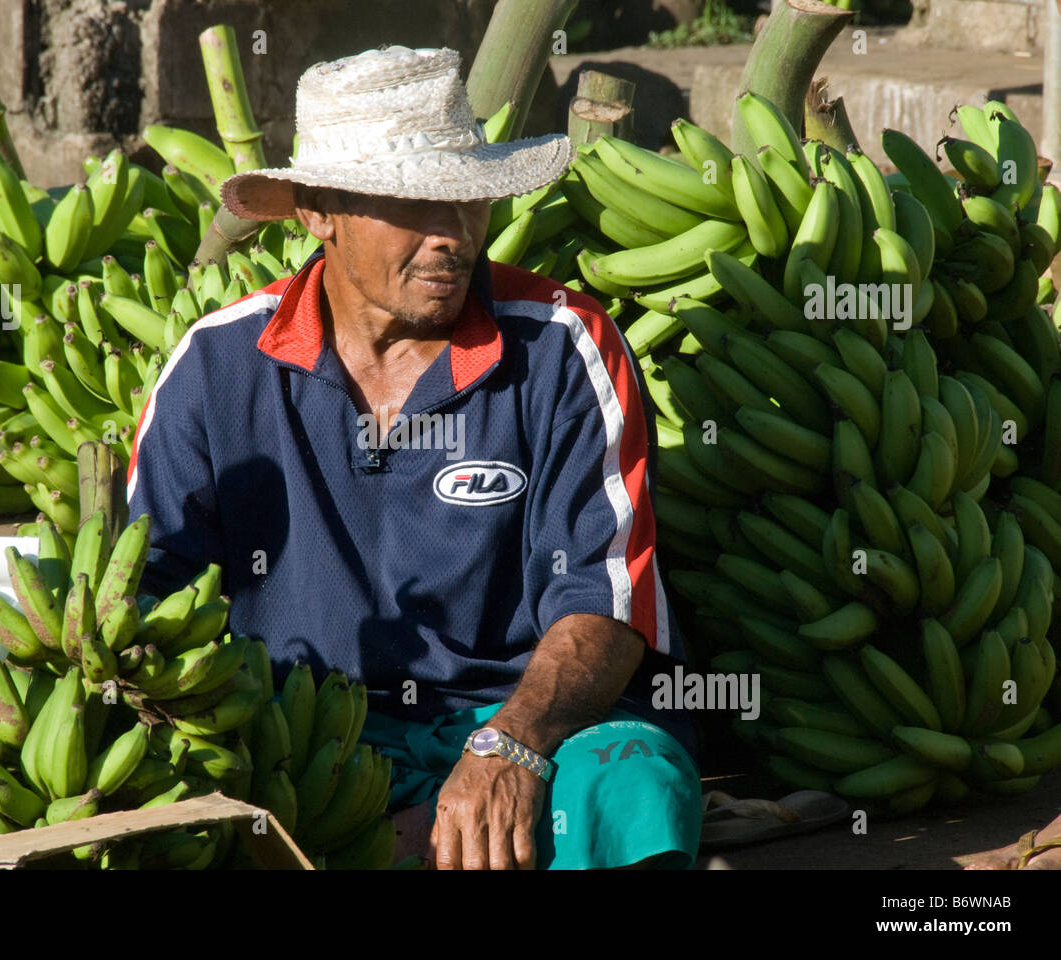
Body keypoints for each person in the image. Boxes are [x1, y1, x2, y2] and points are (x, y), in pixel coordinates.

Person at [127, 45, 701, 869]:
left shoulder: (561, 346)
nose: (451, 238)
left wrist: (513, 747)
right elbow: (152, 590)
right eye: (415, 206)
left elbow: (606, 603)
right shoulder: (217, 369)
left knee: (630, 793)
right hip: (312, 739)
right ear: (319, 210)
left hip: (529, 721)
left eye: (468, 205)